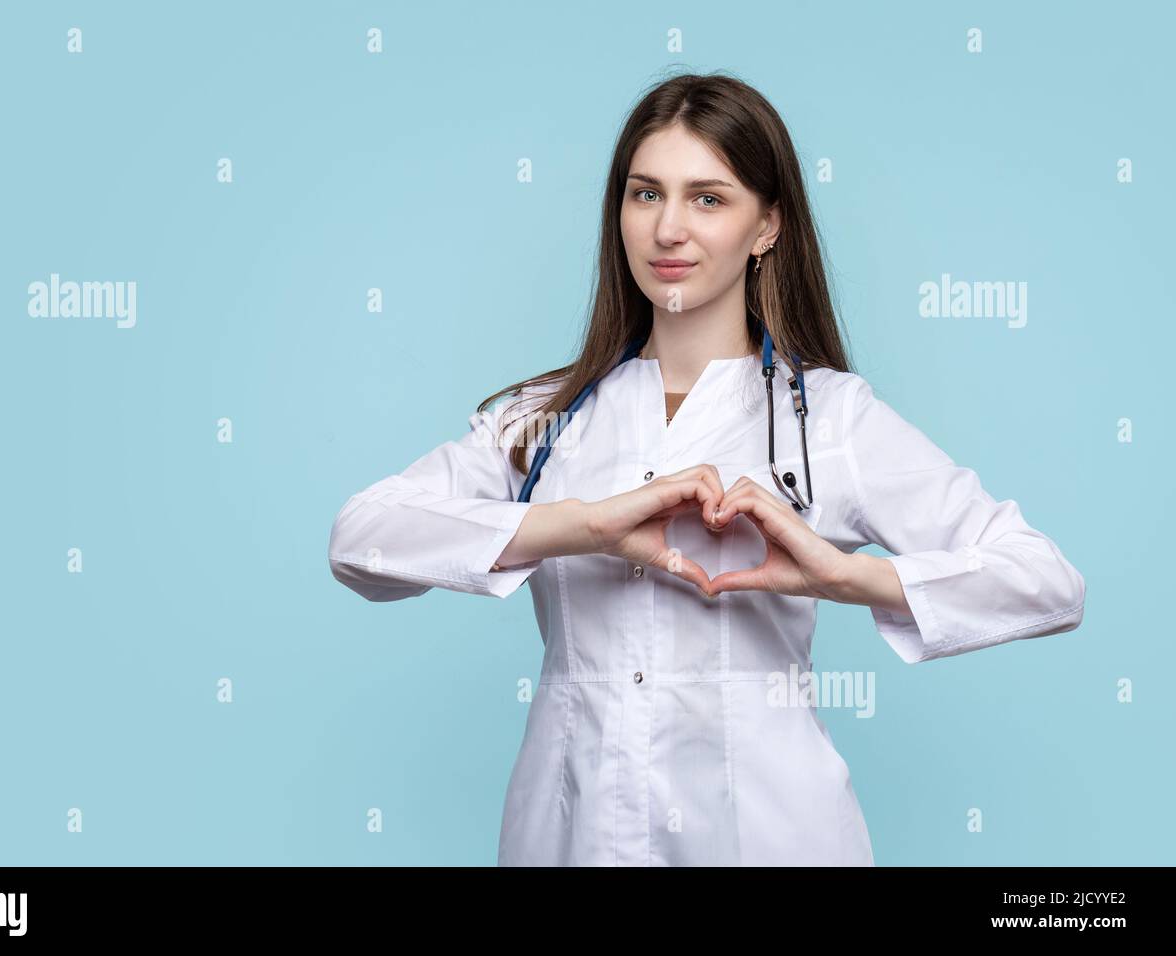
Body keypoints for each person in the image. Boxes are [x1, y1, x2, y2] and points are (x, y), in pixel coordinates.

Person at [327, 72, 1086, 866]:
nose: (668, 230)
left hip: (771, 836)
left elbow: (1047, 582)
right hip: (570, 834)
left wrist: (846, 578)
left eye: (709, 199)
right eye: (646, 194)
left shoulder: (830, 420)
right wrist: (583, 526)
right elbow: (362, 543)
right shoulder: (542, 417)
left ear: (767, 227)